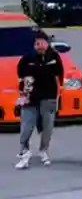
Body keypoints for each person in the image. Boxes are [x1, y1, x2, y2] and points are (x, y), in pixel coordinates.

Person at [15, 31, 63, 169]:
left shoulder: (54, 57)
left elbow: (59, 74)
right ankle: (24, 151)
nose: (39, 46)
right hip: (30, 98)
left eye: (42, 43)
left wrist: (60, 96)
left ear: (47, 44)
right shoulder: (27, 58)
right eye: (37, 43)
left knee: (47, 127)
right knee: (26, 126)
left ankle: (43, 150)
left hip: (48, 97)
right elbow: (20, 75)